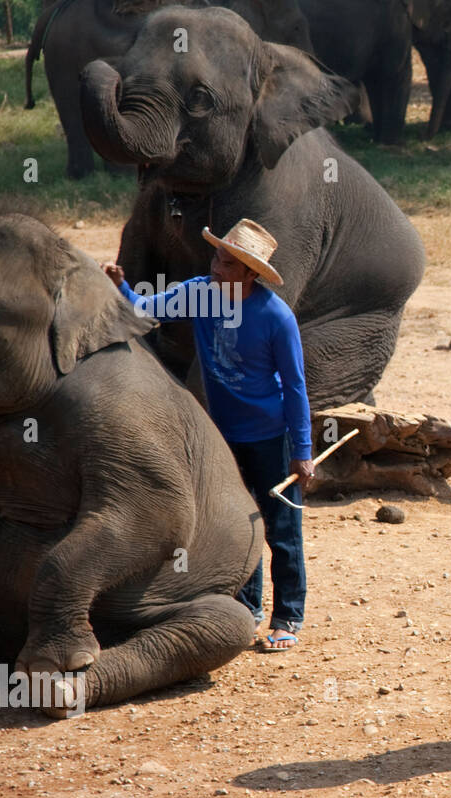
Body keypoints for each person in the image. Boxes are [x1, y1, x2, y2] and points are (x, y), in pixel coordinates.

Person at [102, 220, 313, 652]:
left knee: (281, 529)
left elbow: (295, 386)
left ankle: (288, 615)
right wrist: (120, 286)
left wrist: (303, 451)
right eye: (217, 256)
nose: (217, 267)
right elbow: (146, 311)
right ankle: (247, 608)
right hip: (222, 434)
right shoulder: (201, 292)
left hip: (272, 436)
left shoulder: (276, 317)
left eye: (229, 263)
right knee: (239, 522)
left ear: (250, 274)